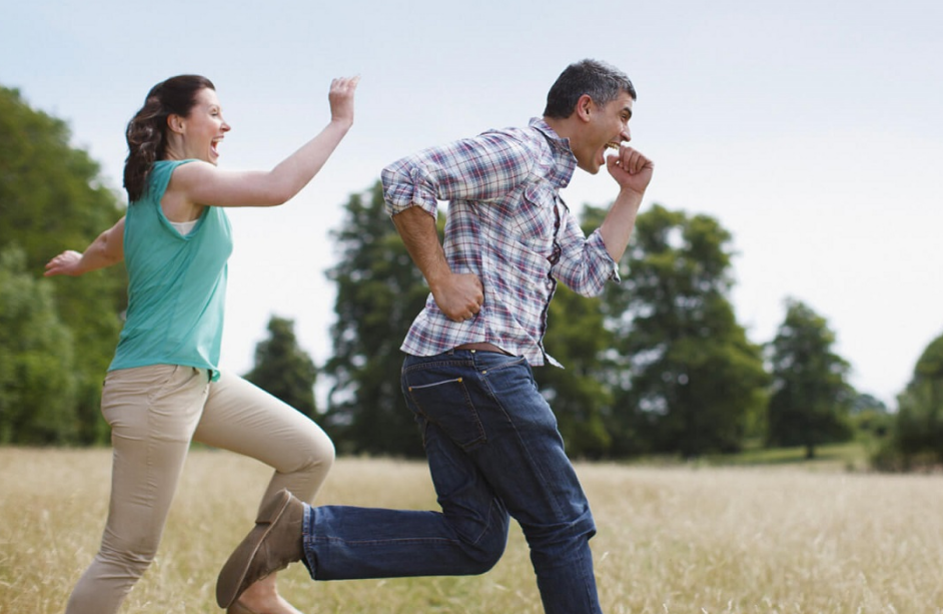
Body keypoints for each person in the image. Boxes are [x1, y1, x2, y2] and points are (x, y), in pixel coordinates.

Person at [216, 59, 653, 614]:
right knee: (562, 522)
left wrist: (631, 195)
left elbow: (587, 275)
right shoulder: (521, 150)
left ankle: (302, 532)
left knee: (475, 539)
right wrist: (440, 278)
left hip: (451, 369)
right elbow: (405, 175)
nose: (627, 133)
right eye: (623, 115)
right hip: (476, 365)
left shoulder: (548, 190)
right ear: (586, 107)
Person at [45, 73, 359, 614]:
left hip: (194, 379)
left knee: (309, 452)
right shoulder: (182, 177)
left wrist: (79, 263)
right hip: (153, 385)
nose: (225, 123)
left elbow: (105, 243)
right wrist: (339, 121)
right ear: (178, 123)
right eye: (213, 112)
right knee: (126, 556)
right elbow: (276, 187)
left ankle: (255, 587)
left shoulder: (151, 193)